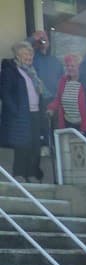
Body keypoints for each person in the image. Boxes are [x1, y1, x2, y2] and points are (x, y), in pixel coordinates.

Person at [1, 41, 47, 182]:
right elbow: (5, 93)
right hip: (20, 114)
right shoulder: (11, 71)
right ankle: (19, 174)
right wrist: (15, 111)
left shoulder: (32, 71)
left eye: (31, 53)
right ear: (18, 55)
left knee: (35, 144)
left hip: (35, 112)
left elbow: (39, 92)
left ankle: (32, 174)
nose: (29, 56)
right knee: (22, 144)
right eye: (26, 54)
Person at [47, 53, 86, 135]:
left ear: (79, 67)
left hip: (83, 125)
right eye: (67, 66)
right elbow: (58, 99)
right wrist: (51, 108)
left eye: (72, 66)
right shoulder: (63, 81)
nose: (69, 68)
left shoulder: (85, 81)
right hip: (67, 123)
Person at [29, 30, 62, 108]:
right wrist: (33, 38)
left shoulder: (55, 60)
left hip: (56, 100)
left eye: (45, 39)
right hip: (39, 100)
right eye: (40, 39)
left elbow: (62, 79)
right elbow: (21, 48)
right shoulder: (31, 58)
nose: (43, 41)